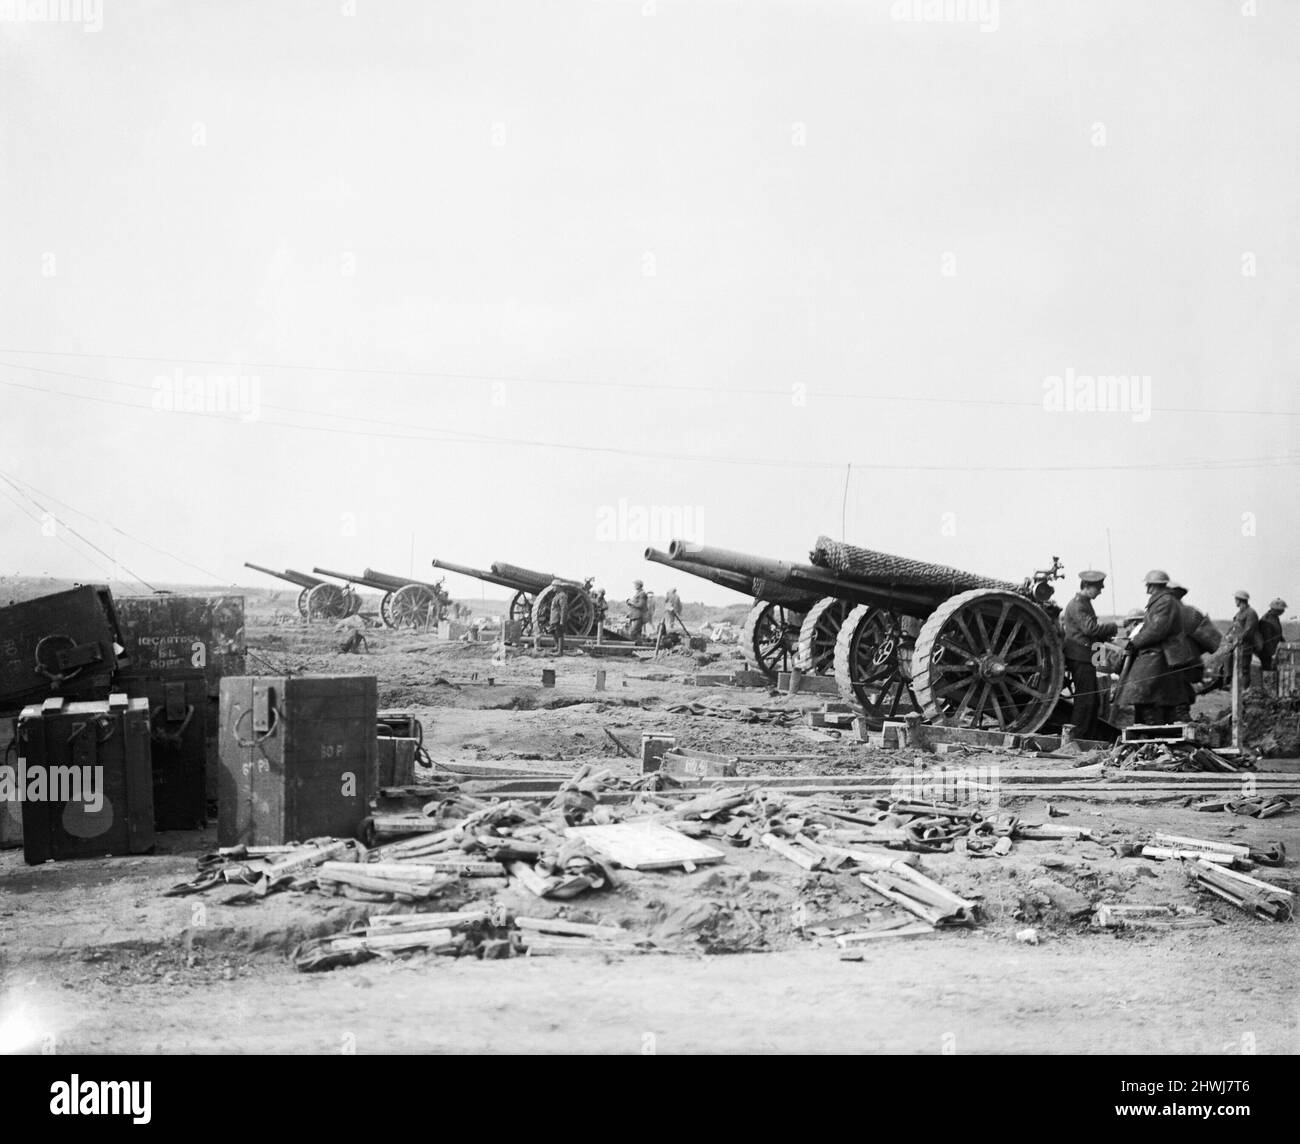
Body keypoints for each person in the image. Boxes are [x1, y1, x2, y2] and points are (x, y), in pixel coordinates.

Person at [1124, 569, 1198, 724]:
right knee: (1158, 694)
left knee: (1146, 689)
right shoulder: (1163, 600)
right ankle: (1154, 724)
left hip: (1165, 653)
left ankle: (1152, 726)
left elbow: (1157, 629)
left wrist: (1135, 642)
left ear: (1154, 585)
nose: (1147, 589)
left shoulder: (1164, 601)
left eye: (1148, 585)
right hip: (1165, 653)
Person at [1061, 570, 1117, 739]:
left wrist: (1102, 635)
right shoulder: (1078, 604)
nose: (1100, 591)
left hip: (1086, 657)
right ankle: (1077, 737)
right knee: (1085, 701)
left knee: (1092, 701)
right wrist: (1113, 626)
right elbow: (1089, 629)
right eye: (1098, 588)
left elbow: (1089, 631)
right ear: (1086, 586)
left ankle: (1089, 737)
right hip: (1080, 657)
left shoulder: (1084, 602)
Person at [1168, 581, 1217, 708]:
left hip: (1172, 663)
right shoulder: (1192, 612)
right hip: (1193, 663)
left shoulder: (1165, 613)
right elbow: (1209, 640)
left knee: (1176, 697)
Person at [1259, 598, 1287, 672]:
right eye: (1282, 610)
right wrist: (1272, 654)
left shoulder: (1274, 618)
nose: (1283, 611)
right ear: (1276, 610)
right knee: (1268, 672)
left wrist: (1284, 642)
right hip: (1267, 653)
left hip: (1273, 651)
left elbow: (1277, 634)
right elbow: (1267, 639)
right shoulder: (1266, 620)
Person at [548, 582, 569, 656]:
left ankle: (560, 652)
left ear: (558, 586)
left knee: (559, 634)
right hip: (554, 618)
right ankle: (557, 646)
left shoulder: (562, 596)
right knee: (551, 631)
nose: (553, 587)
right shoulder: (557, 595)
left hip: (558, 618)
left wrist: (562, 620)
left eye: (554, 586)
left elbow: (563, 609)